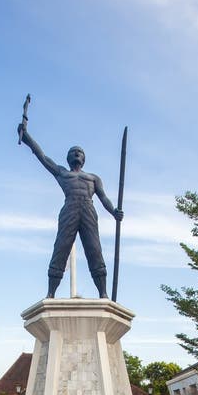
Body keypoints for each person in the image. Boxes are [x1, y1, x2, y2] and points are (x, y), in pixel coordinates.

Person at [18, 122, 123, 298]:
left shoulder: (93, 178)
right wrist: (27, 137)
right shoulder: (62, 173)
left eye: (80, 152)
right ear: (67, 158)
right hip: (69, 209)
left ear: (84, 158)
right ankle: (50, 293)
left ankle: (103, 293)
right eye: (73, 152)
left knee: (94, 250)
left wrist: (114, 212)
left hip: (88, 210)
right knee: (61, 249)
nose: (76, 153)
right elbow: (42, 156)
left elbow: (103, 198)